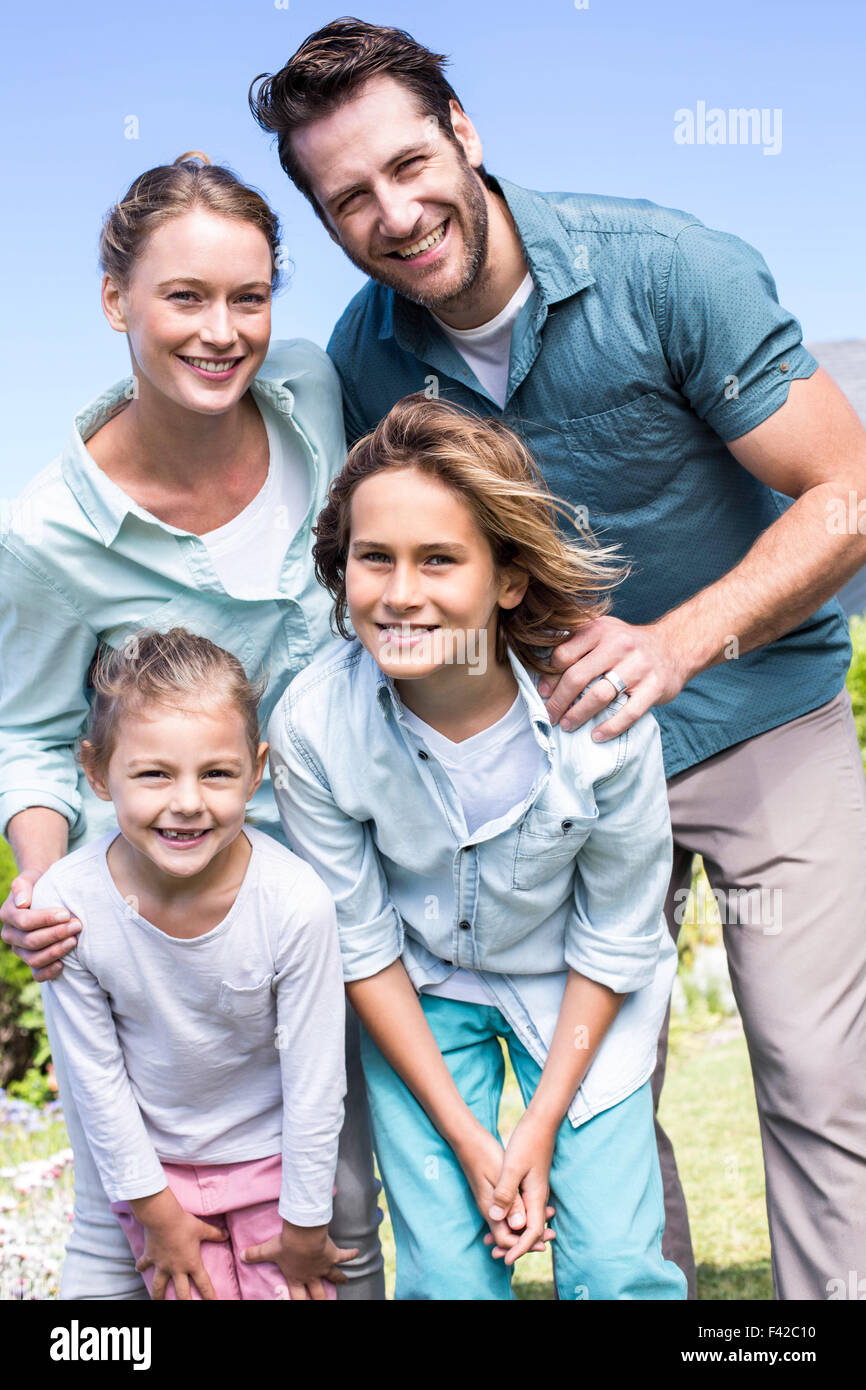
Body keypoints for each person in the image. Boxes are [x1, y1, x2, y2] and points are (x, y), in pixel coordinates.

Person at [249, 18, 866, 1299]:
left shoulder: (667, 270)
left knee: (815, 1067)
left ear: (463, 132)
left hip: (761, 717)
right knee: (600, 1087)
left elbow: (845, 494)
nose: (396, 213)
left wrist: (679, 639)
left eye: (410, 164)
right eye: (348, 197)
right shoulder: (368, 355)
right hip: (560, 768)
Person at [0, 153, 384, 1300]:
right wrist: (48, 888)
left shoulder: (316, 393)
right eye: (184, 297)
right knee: (140, 1236)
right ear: (114, 298)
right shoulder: (46, 536)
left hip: (344, 877)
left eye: (249, 296)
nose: (223, 331)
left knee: (333, 1210)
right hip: (174, 900)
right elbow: (28, 731)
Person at [267, 394, 687, 1300]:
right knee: (450, 1279)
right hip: (420, 990)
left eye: (440, 560)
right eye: (374, 558)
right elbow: (364, 945)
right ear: (343, 568)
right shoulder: (311, 726)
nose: (401, 592)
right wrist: (469, 1134)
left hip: (577, 988)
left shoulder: (602, 718)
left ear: (506, 577)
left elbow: (619, 932)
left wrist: (535, 1129)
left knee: (616, 1271)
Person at [34, 628, 353, 1301]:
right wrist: (155, 1211)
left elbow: (316, 1080)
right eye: (153, 773)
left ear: (256, 770)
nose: (186, 802)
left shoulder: (295, 903)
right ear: (96, 772)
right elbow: (95, 1079)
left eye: (216, 773)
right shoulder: (71, 901)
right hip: (157, 1175)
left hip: (273, 1167)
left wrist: (304, 1223)